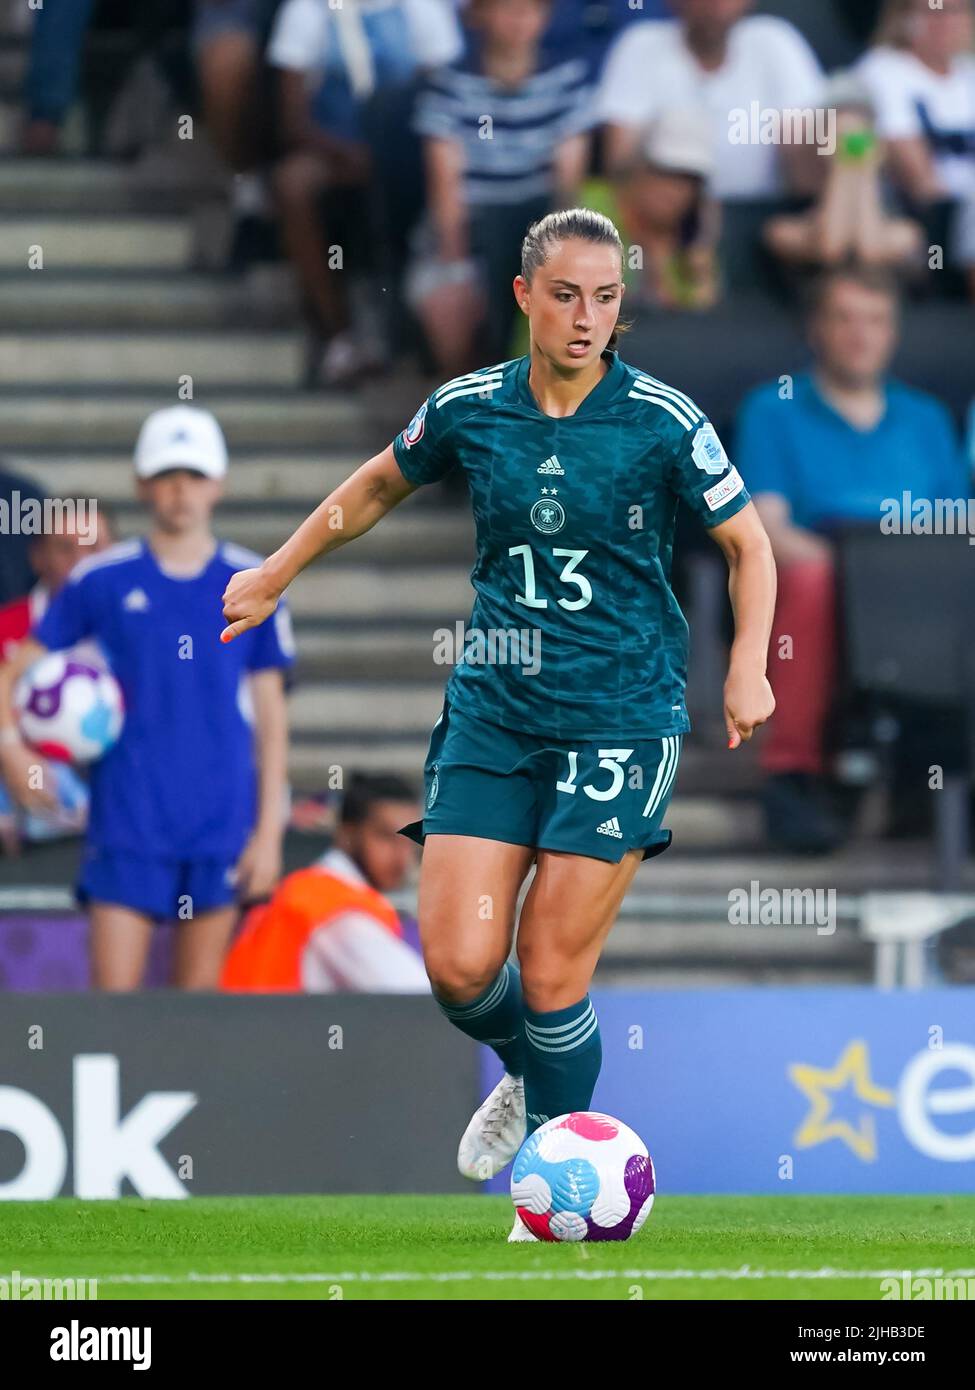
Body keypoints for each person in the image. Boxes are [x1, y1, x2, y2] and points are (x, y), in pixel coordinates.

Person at [220, 207, 776, 1241]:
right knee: (459, 965)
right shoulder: (473, 406)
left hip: (619, 715)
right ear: (523, 296)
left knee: (554, 969)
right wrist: (277, 570)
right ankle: (532, 1066)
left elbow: (751, 547)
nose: (586, 317)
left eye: (606, 299)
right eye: (566, 294)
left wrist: (746, 666)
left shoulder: (661, 417)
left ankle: (554, 1194)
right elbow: (380, 481)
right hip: (496, 706)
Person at [0, 406, 295, 990]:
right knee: (112, 1010)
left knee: (197, 1010)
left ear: (219, 484)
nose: (180, 491)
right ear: (141, 484)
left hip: (220, 823)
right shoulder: (101, 579)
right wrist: (12, 747)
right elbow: (16, 665)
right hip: (127, 821)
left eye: (194, 475)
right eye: (165, 475)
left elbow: (272, 717)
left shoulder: (257, 581)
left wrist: (268, 834)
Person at [735, 266, 969, 851]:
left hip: (919, 591)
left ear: (893, 333)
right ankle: (795, 776)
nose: (860, 335)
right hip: (819, 582)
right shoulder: (773, 410)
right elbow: (765, 525)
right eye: (844, 319)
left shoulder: (927, 419)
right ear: (816, 329)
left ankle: (939, 771)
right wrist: (861, 581)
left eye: (876, 321)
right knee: (812, 579)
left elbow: (958, 530)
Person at [267, 0, 462, 385]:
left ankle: (423, 331)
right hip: (336, 152)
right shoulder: (308, 10)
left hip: (412, 157)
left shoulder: (422, 8)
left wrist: (391, 155)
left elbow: (448, 97)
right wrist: (345, 154)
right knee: (292, 184)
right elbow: (291, 121)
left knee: (449, 176)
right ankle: (338, 331)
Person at [407, 0, 594, 371]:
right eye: (507, 10)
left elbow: (567, 186)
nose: (518, 22)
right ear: (480, 16)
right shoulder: (447, 86)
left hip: (539, 224)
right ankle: (461, 402)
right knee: (448, 299)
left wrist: (558, 263)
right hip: (470, 223)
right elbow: (445, 188)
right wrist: (456, 264)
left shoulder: (568, 79)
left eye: (529, 11)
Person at [595, 0, 823, 201]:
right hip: (666, 230)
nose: (715, 3)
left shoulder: (776, 42)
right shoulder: (639, 46)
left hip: (763, 224)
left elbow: (807, 174)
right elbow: (618, 169)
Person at [221, 773, 429, 991]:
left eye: (409, 843)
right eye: (386, 837)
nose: (401, 858)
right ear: (346, 833)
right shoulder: (340, 915)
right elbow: (417, 997)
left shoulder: (307, 894)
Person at [0, 511, 114, 853]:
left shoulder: (140, 629)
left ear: (116, 553)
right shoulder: (7, 626)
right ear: (38, 557)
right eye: (65, 549)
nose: (80, 563)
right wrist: (10, 752)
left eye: (92, 548)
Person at [764, 71, 923, 273]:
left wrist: (863, 168)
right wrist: (844, 167)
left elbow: (870, 251)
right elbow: (830, 247)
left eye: (860, 135)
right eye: (835, 135)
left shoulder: (905, 232)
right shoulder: (783, 229)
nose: (848, 143)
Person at [856, 0, 975, 214]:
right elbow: (918, 181)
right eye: (933, 11)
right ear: (903, 16)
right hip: (926, 216)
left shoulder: (969, 72)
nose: (946, 21)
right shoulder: (883, 70)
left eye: (956, 11)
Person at [610, 108, 721, 311]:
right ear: (640, 169)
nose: (674, 191)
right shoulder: (587, 214)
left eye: (687, 179)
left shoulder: (692, 242)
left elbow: (702, 311)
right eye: (664, 172)